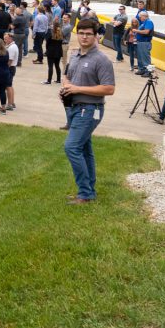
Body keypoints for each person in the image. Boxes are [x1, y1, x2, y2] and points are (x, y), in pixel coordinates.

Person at [61, 18, 116, 205]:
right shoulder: (75, 55)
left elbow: (109, 89)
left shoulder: (102, 60)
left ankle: (85, 193)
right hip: (74, 107)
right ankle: (88, 191)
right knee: (84, 149)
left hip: (90, 109)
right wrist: (66, 87)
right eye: (81, 33)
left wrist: (77, 89)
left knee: (71, 147)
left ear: (96, 36)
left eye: (88, 34)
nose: (84, 37)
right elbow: (67, 76)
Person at [134, 10, 154, 76]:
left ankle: (148, 72)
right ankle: (141, 69)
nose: (140, 18)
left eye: (140, 17)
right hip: (140, 42)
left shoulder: (148, 22)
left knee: (146, 58)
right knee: (140, 57)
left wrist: (136, 31)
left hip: (145, 42)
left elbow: (146, 32)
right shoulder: (144, 22)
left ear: (144, 16)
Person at [4, 32, 19, 111]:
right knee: (10, 85)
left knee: (8, 86)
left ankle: (9, 104)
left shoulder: (12, 47)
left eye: (6, 39)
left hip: (10, 68)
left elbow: (10, 61)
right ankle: (12, 102)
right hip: (11, 68)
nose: (4, 40)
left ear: (10, 39)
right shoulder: (12, 46)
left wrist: (5, 68)